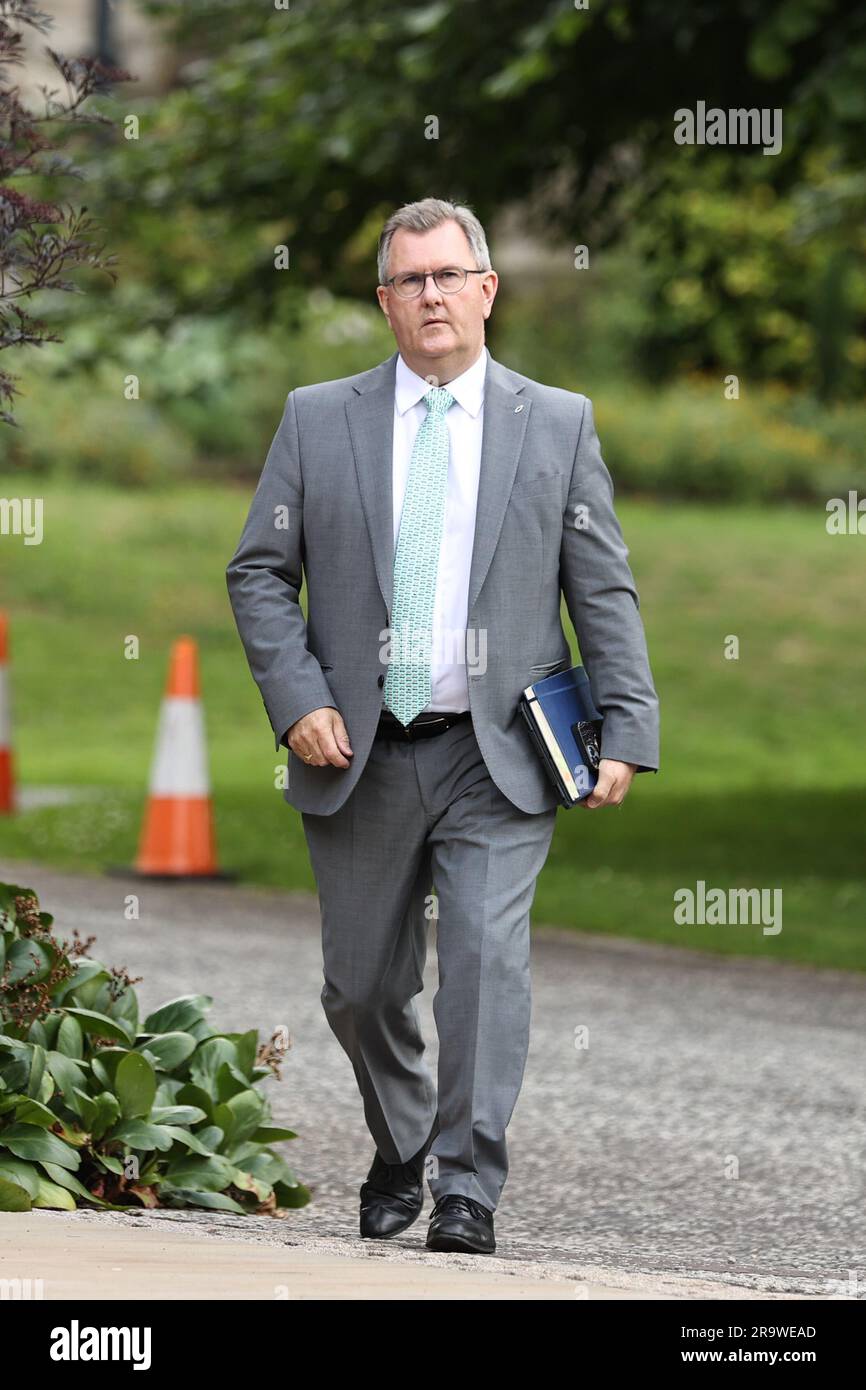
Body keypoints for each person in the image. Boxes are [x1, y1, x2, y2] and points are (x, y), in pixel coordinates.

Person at [226, 196, 659, 1255]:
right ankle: (404, 1135)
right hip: (359, 750)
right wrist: (297, 703)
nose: (430, 295)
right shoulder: (316, 417)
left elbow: (600, 587)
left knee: (479, 961)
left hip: (495, 755)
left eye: (446, 275)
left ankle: (466, 1188)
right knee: (362, 985)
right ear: (384, 302)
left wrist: (627, 725)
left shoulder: (553, 424)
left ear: (485, 288)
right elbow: (258, 573)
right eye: (407, 280)